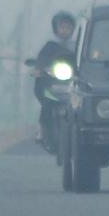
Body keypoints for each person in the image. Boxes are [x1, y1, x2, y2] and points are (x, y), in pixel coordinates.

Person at [33, 11, 77, 144]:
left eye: (68, 27)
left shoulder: (77, 46)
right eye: (62, 27)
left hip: (71, 83)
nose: (65, 30)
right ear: (56, 29)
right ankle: (41, 129)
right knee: (46, 104)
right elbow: (41, 60)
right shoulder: (49, 46)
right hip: (52, 83)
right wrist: (40, 70)